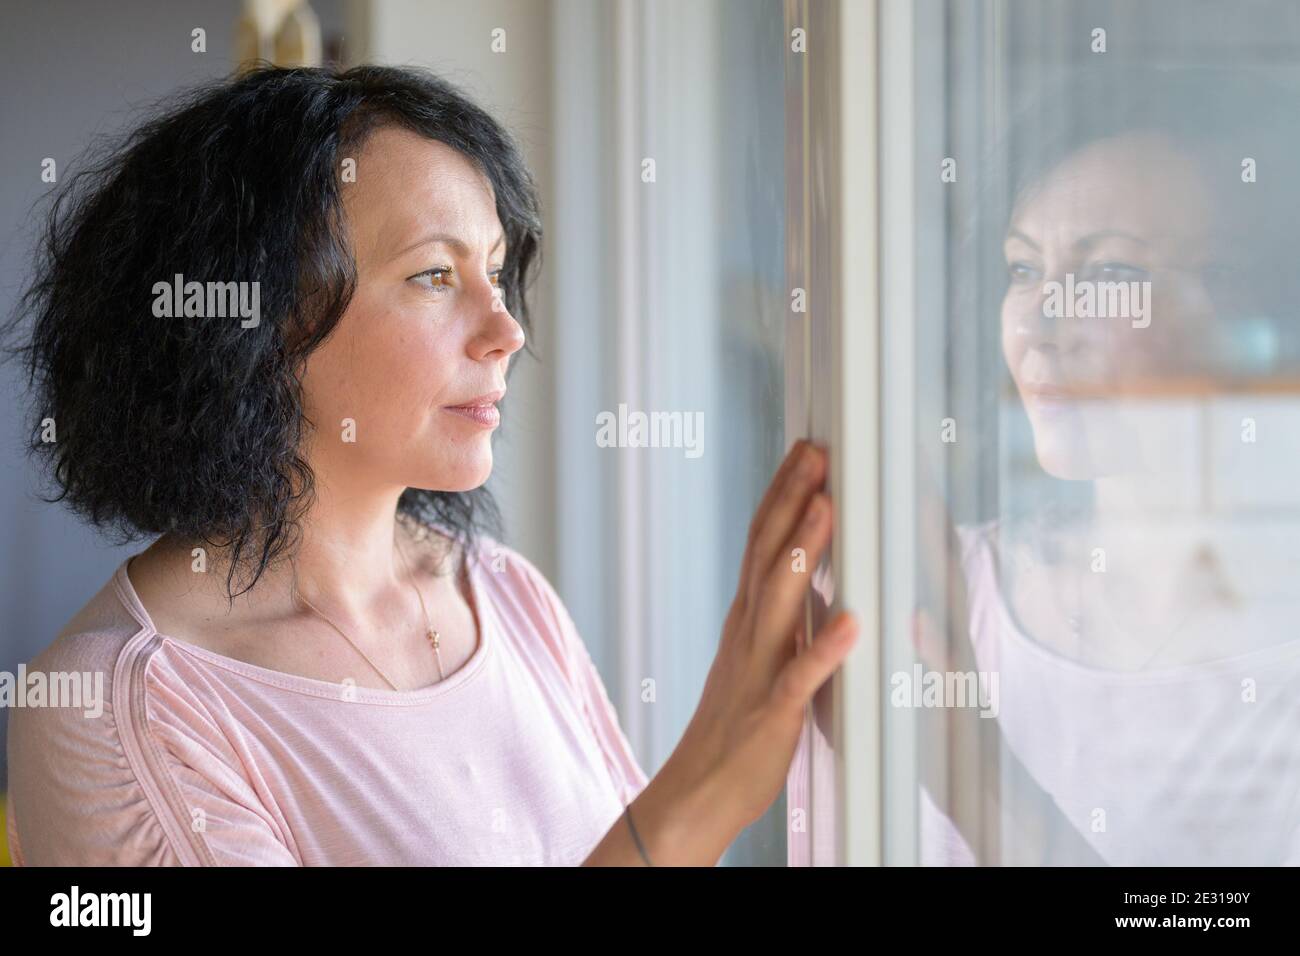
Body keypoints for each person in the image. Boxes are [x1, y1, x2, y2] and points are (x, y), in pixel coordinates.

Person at [2, 65, 857, 866]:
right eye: (435, 276)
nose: (507, 329)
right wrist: (703, 793)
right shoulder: (116, 708)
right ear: (252, 331)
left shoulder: (502, 593)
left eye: (494, 270)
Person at [918, 68, 1300, 865]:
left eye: (1111, 275)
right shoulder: (943, 596)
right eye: (1022, 270)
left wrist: (978, 780)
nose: (1041, 324)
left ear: (1250, 310)